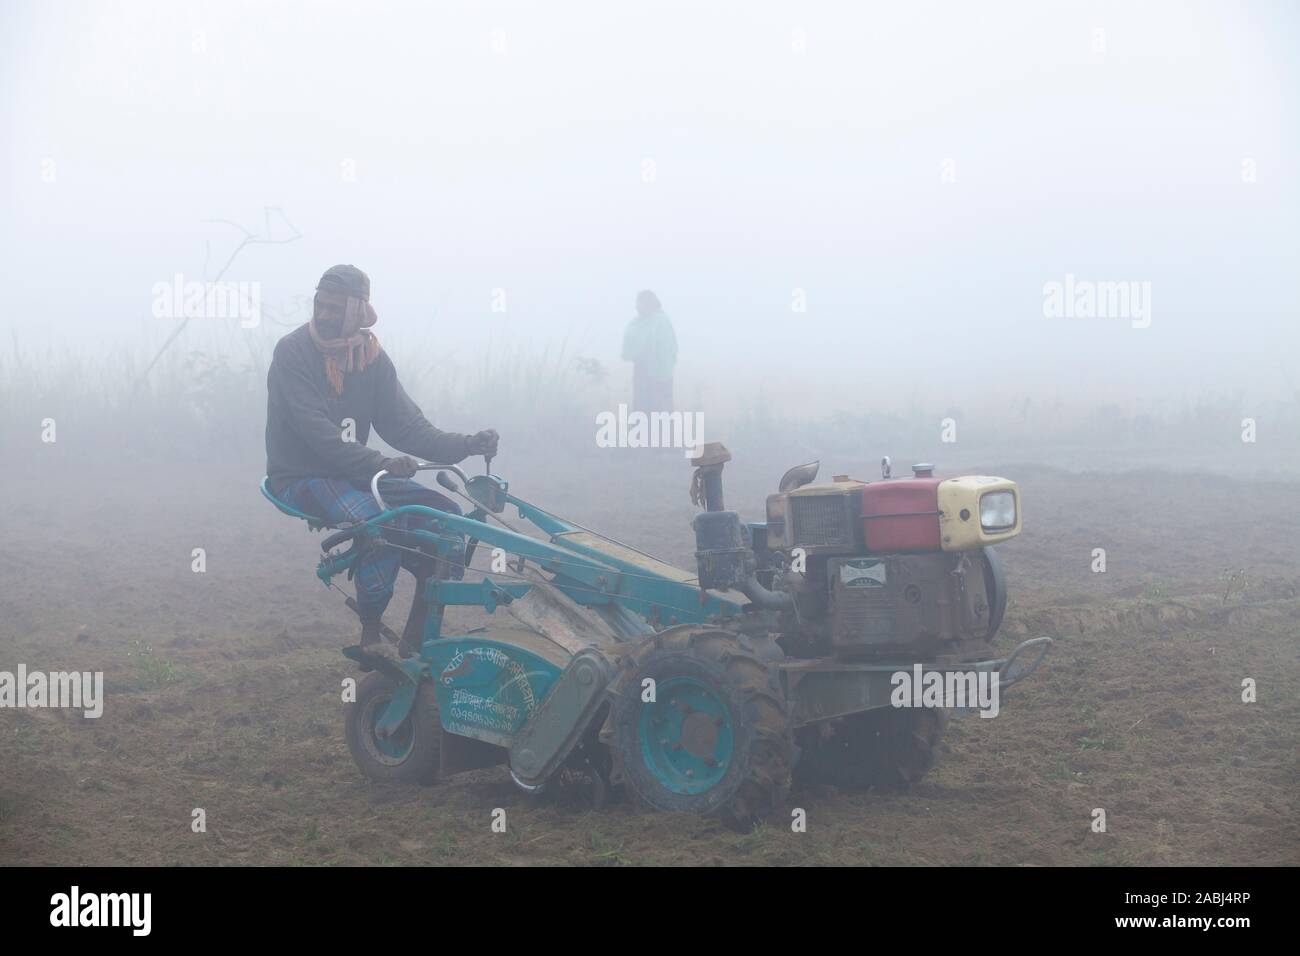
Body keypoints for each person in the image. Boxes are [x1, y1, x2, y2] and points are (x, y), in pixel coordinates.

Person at [265, 264, 498, 655]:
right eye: (320, 305)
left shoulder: (370, 359)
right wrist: (380, 463)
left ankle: (416, 643)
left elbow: (408, 428)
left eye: (335, 309)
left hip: (357, 473)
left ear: (358, 312)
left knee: (449, 522)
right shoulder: (293, 353)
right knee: (381, 521)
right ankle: (370, 633)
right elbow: (317, 433)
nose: (323, 315)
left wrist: (467, 444)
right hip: (302, 475)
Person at [621, 290, 677, 413]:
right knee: (642, 412)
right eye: (637, 304)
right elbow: (630, 344)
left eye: (641, 304)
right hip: (642, 374)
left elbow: (668, 348)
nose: (637, 307)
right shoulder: (637, 322)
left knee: (660, 413)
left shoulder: (661, 321)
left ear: (650, 304)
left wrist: (659, 369)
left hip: (660, 377)